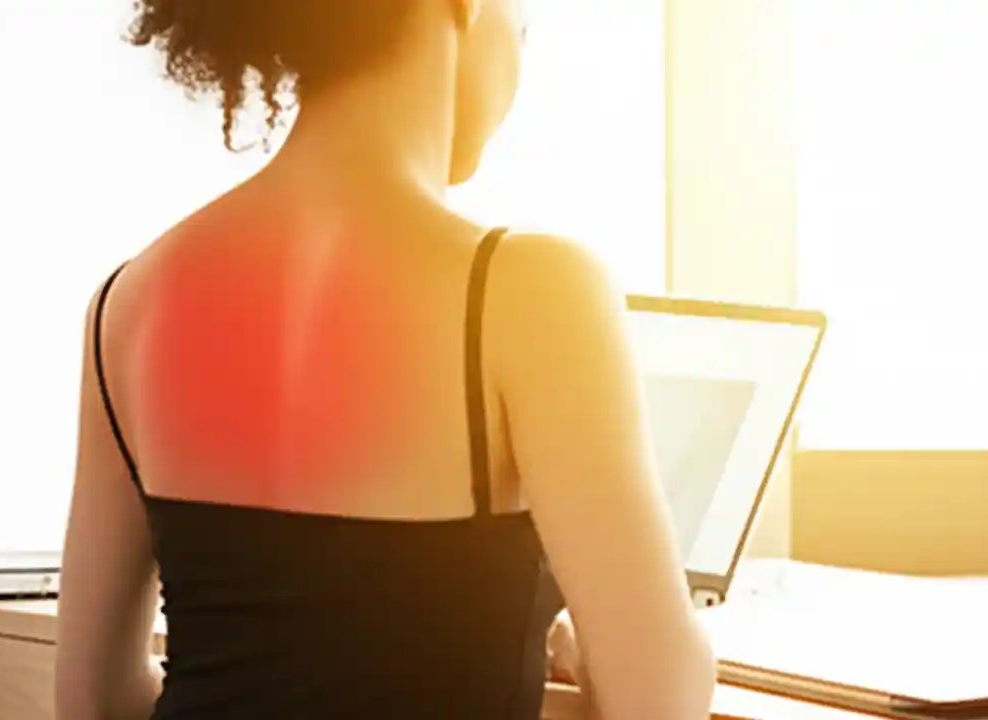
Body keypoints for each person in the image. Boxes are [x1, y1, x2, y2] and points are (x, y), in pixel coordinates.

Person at [54, 1, 714, 718]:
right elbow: (658, 698)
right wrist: (602, 650)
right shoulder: (528, 290)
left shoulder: (129, 302)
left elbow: (94, 702)